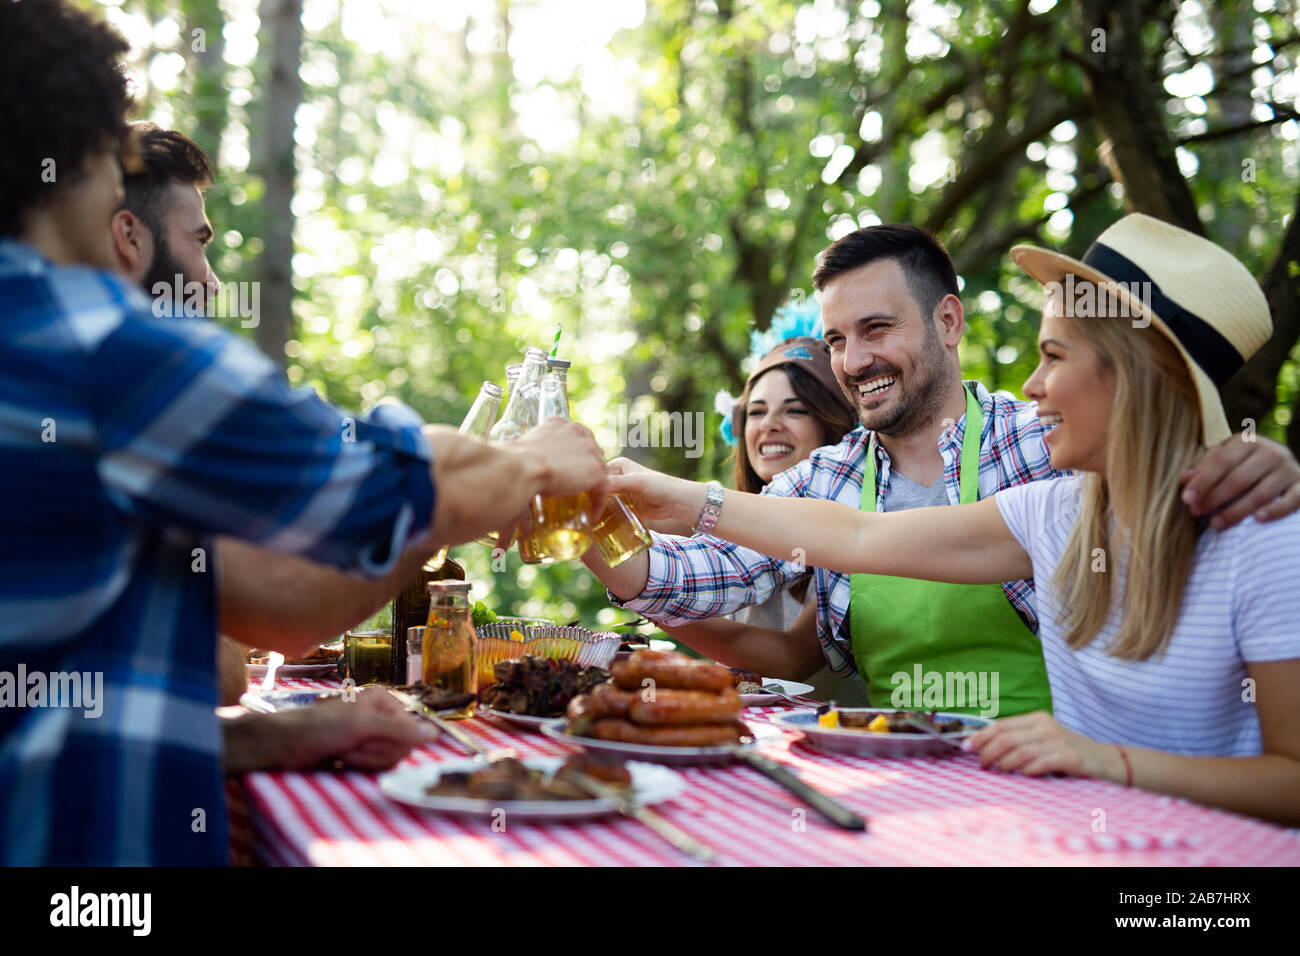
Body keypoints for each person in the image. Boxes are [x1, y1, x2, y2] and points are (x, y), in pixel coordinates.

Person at [0, 0, 607, 864]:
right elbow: (361, 510)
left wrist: (273, 740)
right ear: (92, 158)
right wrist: (529, 462)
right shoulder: (108, 352)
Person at [607, 214, 1300, 824]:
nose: (852, 361)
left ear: (947, 321)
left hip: (1099, 814)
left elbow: (1165, 454)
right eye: (837, 338)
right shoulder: (1039, 510)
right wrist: (602, 515)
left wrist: (1260, 456)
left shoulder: (1050, 449)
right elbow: (849, 537)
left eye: (876, 328)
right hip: (967, 802)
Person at [111, 121, 439, 773]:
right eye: (197, 244)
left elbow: (181, 692)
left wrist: (294, 734)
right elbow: (227, 663)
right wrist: (451, 483)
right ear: (128, 237)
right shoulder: (124, 386)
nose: (207, 281)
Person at [636, 333, 868, 702]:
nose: (769, 424)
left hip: (837, 743)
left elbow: (789, 658)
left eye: (795, 410)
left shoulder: (860, 526)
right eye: (756, 412)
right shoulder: (724, 511)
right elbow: (648, 526)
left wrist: (651, 598)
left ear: (834, 424)